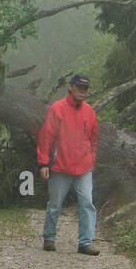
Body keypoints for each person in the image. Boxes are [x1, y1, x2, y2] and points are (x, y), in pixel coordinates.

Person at [36, 74, 100, 255]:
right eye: (80, 87)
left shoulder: (89, 111)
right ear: (71, 87)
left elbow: (94, 139)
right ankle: (49, 238)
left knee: (87, 203)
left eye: (85, 88)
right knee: (55, 204)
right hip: (60, 166)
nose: (83, 91)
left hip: (84, 168)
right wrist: (43, 163)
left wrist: (91, 158)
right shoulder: (57, 108)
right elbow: (46, 137)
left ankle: (85, 243)